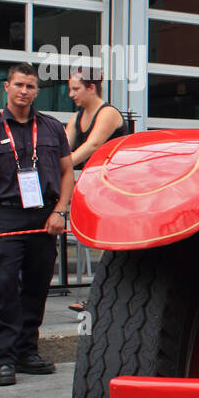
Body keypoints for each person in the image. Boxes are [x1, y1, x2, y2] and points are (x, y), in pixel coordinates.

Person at [0, 63, 74, 387]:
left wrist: (60, 211)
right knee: (3, 287)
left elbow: (68, 172)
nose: (24, 91)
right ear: (7, 87)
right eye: (18, 84)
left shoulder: (53, 128)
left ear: (37, 91)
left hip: (45, 217)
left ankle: (28, 352)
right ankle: (3, 360)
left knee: (36, 287)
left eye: (30, 86)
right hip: (9, 216)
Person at [65, 69, 127, 312]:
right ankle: (101, 298)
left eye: (76, 89)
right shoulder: (77, 117)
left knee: (108, 244)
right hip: (96, 187)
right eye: (70, 89)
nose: (71, 94)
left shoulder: (108, 113)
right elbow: (63, 146)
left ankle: (100, 299)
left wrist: (61, 164)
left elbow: (92, 145)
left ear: (91, 88)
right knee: (102, 243)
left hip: (117, 186)